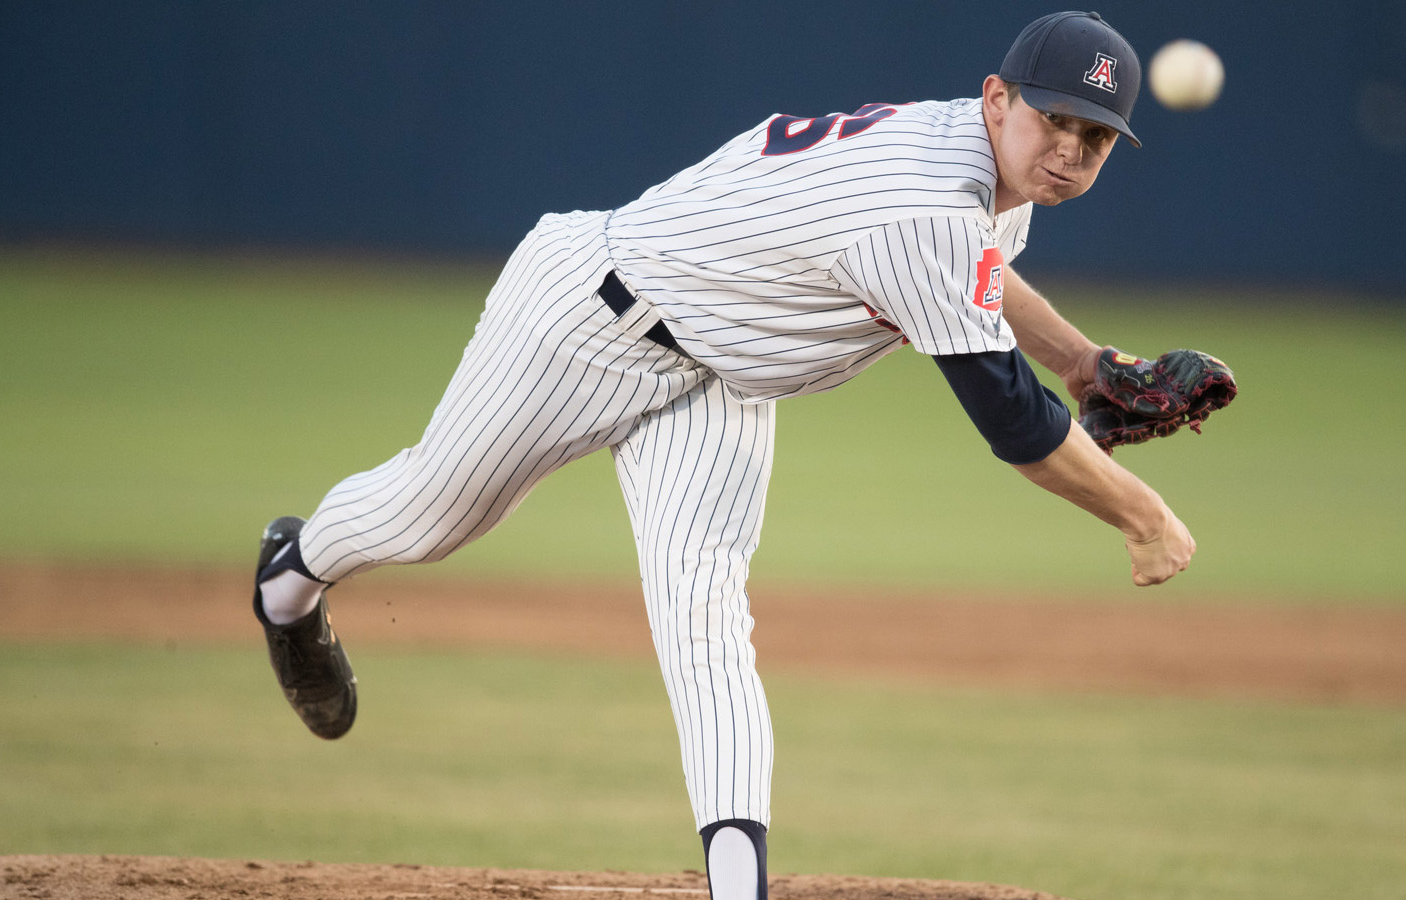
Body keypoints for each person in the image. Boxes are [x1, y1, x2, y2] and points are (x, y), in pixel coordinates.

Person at [251, 11, 1194, 898]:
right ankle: (291, 580)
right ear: (998, 98)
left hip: (724, 372)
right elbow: (1014, 425)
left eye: (1097, 137)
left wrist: (1082, 360)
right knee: (429, 516)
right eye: (1055, 119)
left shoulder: (989, 171)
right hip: (587, 317)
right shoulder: (922, 206)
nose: (1070, 149)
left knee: (705, 617)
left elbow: (982, 276)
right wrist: (1142, 516)